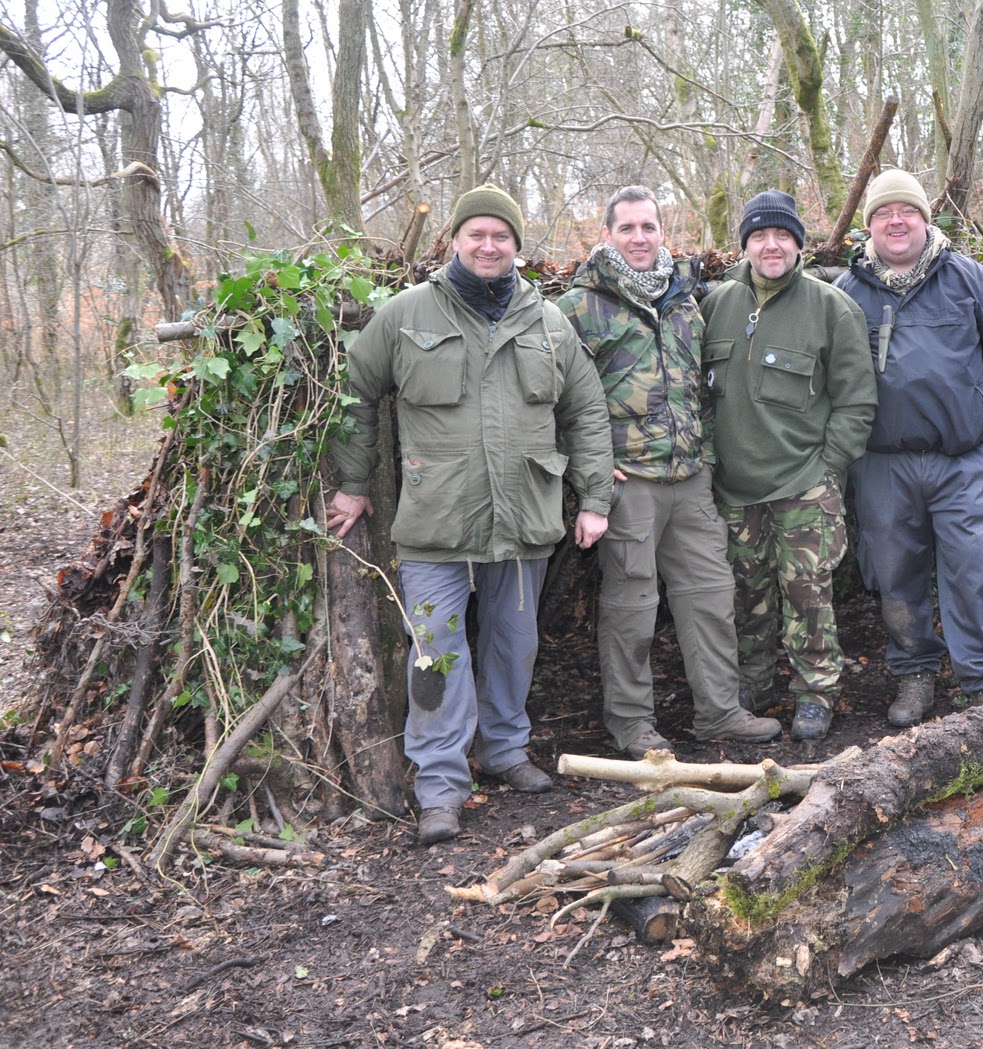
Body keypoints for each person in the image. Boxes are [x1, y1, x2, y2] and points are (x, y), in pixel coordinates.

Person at [327, 184, 614, 845]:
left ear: (517, 245)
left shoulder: (548, 323)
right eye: (476, 234)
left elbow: (586, 411)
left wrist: (595, 498)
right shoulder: (406, 314)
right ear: (453, 240)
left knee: (515, 643)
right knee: (435, 653)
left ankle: (505, 748)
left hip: (523, 518)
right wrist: (354, 482)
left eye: (501, 236)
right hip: (436, 520)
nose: (489, 246)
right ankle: (439, 785)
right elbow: (356, 390)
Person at [558, 186, 781, 757]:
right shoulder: (577, 308)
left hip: (690, 478)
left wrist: (705, 456)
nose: (639, 238)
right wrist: (591, 471)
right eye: (627, 228)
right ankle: (631, 723)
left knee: (710, 594)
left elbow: (701, 386)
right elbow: (555, 400)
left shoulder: (685, 298)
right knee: (631, 607)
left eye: (648, 227)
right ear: (607, 235)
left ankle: (720, 712)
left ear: (663, 232)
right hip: (628, 483)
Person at [834, 170, 983, 726]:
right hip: (881, 465)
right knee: (892, 573)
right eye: (883, 213)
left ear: (925, 218)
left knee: (976, 570)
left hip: (963, 461)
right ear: (869, 225)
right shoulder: (846, 293)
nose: (895, 221)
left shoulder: (970, 280)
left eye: (907, 211)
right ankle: (915, 674)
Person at [700, 190, 876, 740]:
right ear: (745, 245)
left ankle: (816, 692)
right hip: (734, 488)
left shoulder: (831, 308)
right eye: (759, 236)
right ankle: (751, 686)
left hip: (804, 485)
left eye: (782, 235)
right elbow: (698, 395)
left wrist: (828, 468)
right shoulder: (715, 305)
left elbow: (857, 401)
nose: (770, 245)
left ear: (799, 244)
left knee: (808, 596)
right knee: (744, 597)